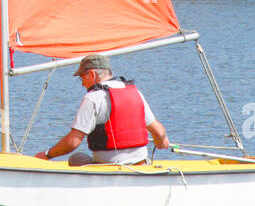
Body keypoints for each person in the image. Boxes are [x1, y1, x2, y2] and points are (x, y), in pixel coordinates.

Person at [35, 54, 170, 166]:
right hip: (141, 165)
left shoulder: (93, 98)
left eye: (82, 77)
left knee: (75, 158)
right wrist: (161, 141)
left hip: (109, 168)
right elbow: (159, 131)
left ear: (92, 74)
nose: (82, 83)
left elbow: (73, 142)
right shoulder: (135, 92)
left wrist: (47, 154)